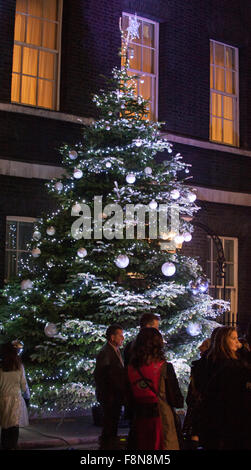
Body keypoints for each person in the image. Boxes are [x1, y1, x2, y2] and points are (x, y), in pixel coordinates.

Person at [127, 328, 184, 450]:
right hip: (161, 418)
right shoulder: (164, 367)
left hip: (139, 418)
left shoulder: (131, 369)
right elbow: (176, 399)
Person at [198, 326, 251, 449]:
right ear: (223, 340)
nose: (237, 342)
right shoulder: (231, 365)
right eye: (233, 338)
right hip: (230, 416)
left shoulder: (210, 361)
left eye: (237, 338)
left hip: (216, 416)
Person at [94, 324, 125, 450]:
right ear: (112, 337)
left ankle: (110, 444)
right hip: (110, 395)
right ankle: (107, 446)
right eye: (120, 335)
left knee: (113, 422)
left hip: (114, 395)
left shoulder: (114, 351)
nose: (123, 338)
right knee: (110, 422)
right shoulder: (106, 352)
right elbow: (102, 375)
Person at [0, 342, 29, 450]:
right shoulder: (19, 366)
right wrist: (27, 397)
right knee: (14, 426)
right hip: (16, 399)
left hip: (3, 399)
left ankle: (5, 446)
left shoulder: (1, 367)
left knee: (5, 426)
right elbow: (23, 384)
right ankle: (13, 446)